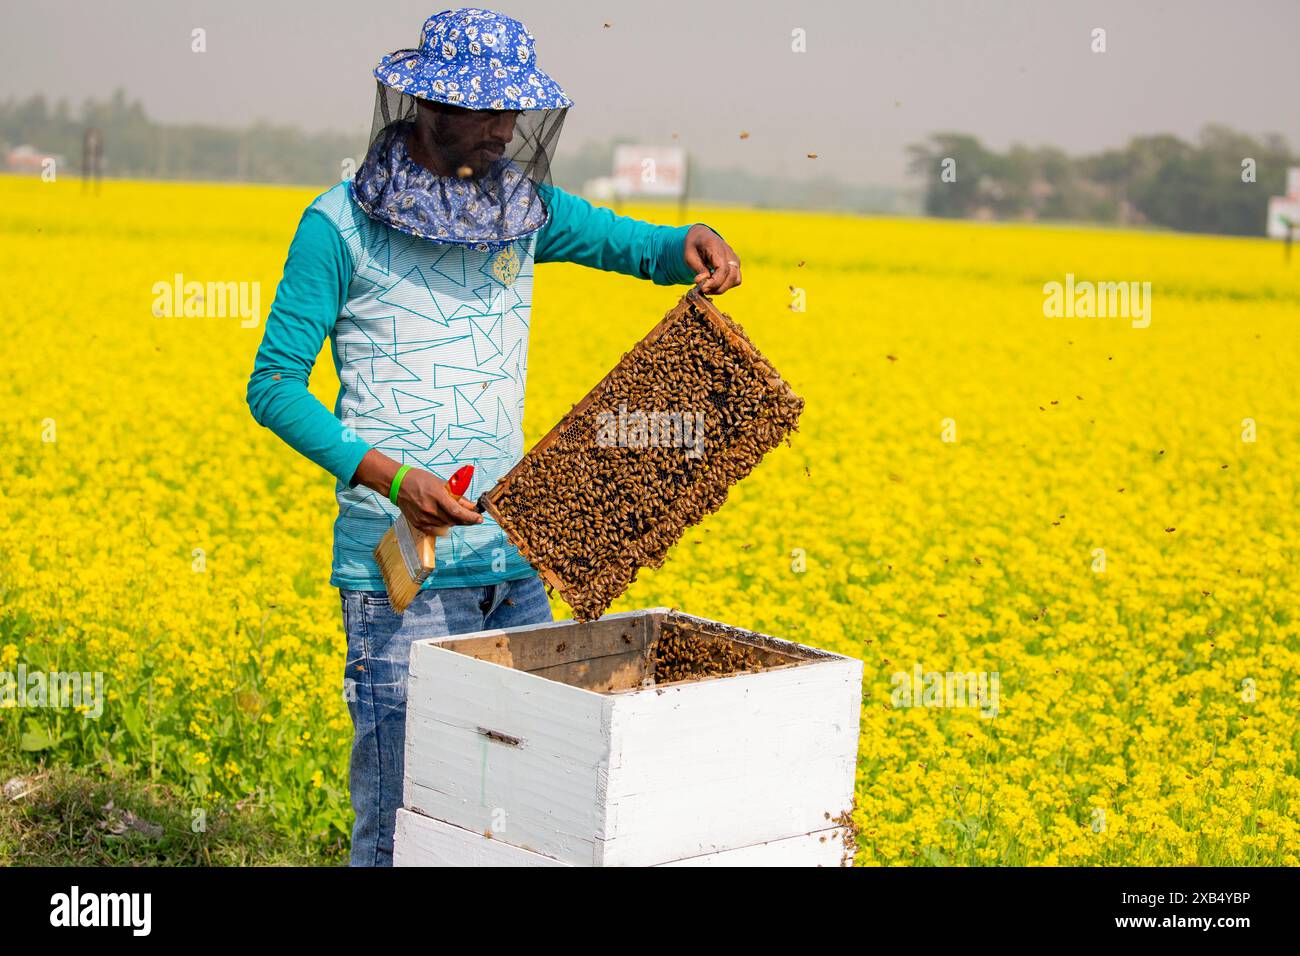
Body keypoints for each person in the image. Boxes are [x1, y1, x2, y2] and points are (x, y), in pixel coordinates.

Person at [245, 7, 741, 866]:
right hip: (397, 572)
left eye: (515, 110)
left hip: (515, 567)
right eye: (485, 110)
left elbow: (632, 245)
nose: (506, 127)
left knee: (519, 812)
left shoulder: (525, 209)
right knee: (404, 816)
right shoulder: (337, 226)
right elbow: (274, 385)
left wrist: (687, 242)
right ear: (431, 105)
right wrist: (396, 480)